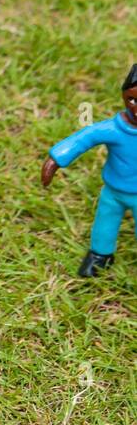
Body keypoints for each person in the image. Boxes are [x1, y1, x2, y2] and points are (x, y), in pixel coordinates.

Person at [41, 63, 137, 276]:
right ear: (124, 96)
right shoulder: (114, 129)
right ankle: (100, 256)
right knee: (105, 221)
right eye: (133, 99)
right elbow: (85, 137)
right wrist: (56, 158)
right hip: (113, 191)